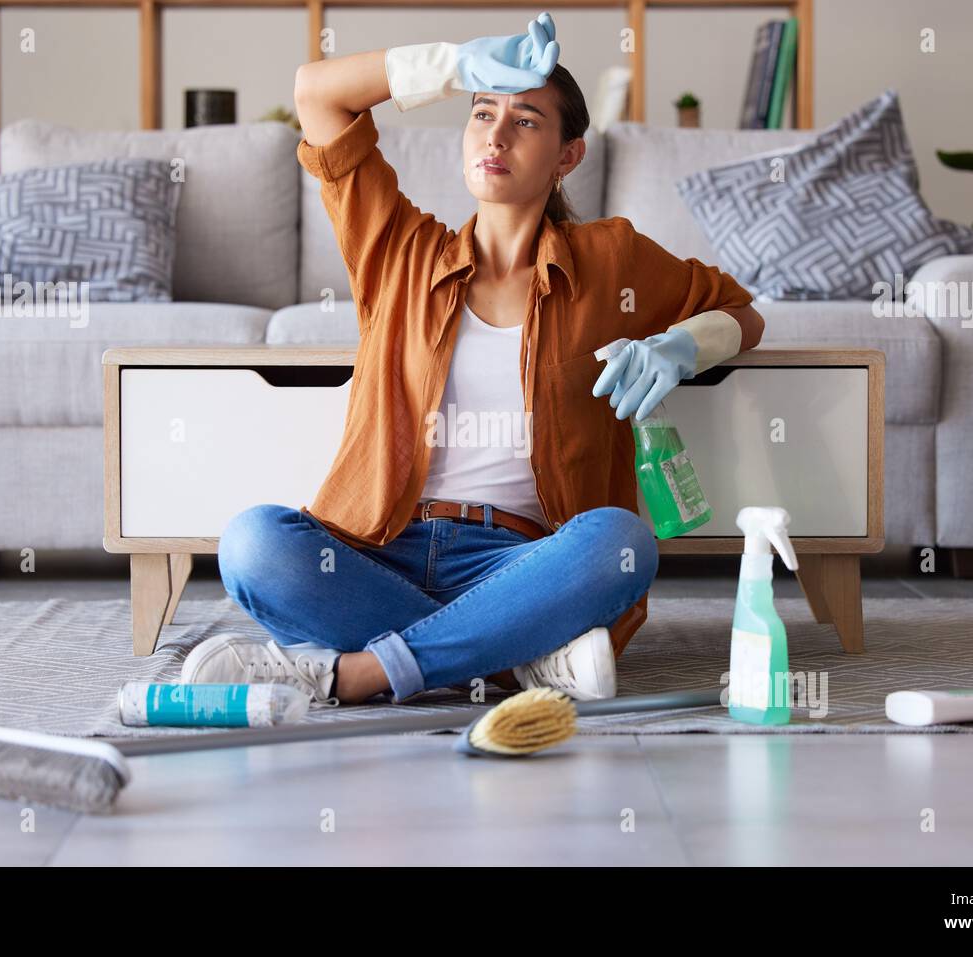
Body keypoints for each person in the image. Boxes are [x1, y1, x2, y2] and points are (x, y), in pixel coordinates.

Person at [184, 13, 764, 708]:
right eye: (483, 111)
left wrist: (677, 347)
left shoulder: (611, 259)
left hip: (520, 565)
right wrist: (456, 63)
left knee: (622, 543)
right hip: (382, 549)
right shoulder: (399, 250)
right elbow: (318, 94)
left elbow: (740, 311)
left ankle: (361, 672)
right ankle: (515, 662)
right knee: (253, 544)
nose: (495, 133)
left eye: (525, 120)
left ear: (567, 156)